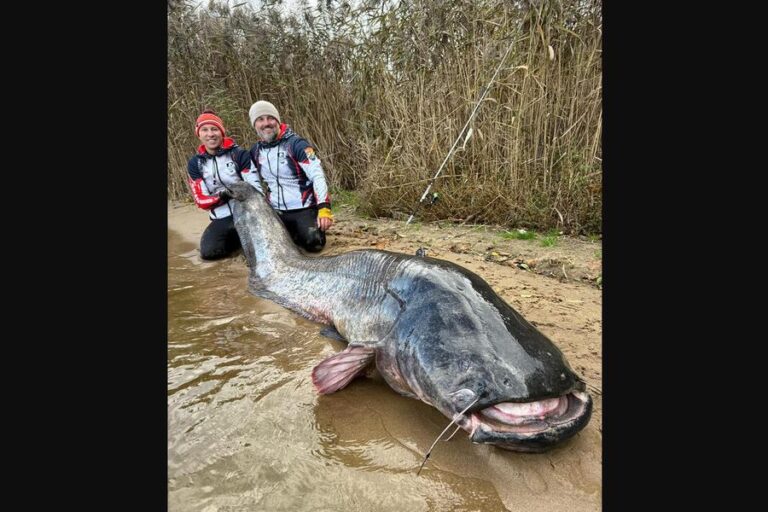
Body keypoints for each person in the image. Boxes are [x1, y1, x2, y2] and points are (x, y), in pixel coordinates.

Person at [247, 100, 333, 252]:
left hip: (304, 207)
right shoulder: (255, 151)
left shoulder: (297, 144)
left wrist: (324, 208)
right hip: (275, 210)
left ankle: (306, 230)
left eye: (270, 118)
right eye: (260, 119)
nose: (266, 123)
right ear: (255, 125)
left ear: (278, 121)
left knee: (314, 245)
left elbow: (317, 176)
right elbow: (251, 183)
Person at [186, 109, 258, 260]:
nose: (210, 134)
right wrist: (222, 196)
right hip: (221, 217)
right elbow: (201, 200)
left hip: (247, 215)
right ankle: (236, 242)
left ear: (222, 132)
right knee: (209, 253)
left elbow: (256, 190)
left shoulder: (239, 154)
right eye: (205, 130)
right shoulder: (195, 164)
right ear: (198, 134)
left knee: (256, 256)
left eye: (214, 129)